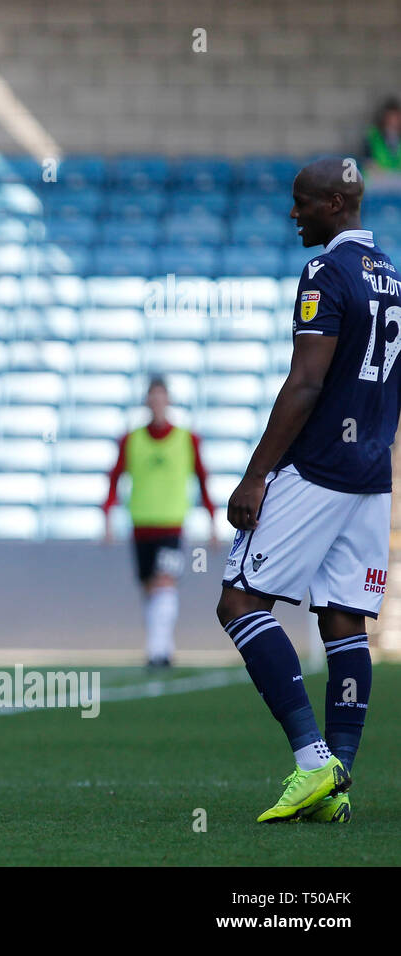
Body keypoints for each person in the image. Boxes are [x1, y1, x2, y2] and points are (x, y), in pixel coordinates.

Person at [217, 157, 398, 824]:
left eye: (302, 203)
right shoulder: (394, 278)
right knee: (342, 617)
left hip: (320, 466)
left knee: (239, 602)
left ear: (333, 207)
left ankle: (314, 759)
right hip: (372, 473)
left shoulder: (326, 272)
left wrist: (256, 473)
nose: (294, 214)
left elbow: (307, 382)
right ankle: (337, 788)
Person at [103, 378, 217, 668]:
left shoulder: (186, 439)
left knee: (164, 582)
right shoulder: (131, 439)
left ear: (168, 401)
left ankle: (157, 653)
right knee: (148, 587)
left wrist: (212, 519)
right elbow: (115, 478)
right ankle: (162, 645)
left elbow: (202, 478)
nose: (156, 403)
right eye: (152, 397)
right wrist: (107, 517)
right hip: (141, 523)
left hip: (172, 524)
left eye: (161, 397)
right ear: (147, 402)